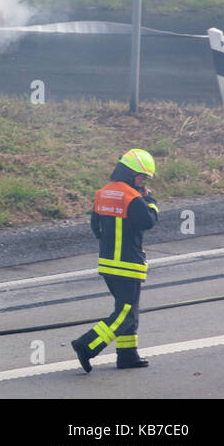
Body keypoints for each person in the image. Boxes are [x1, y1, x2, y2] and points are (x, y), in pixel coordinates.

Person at [71, 149, 160, 372]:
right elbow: (148, 221)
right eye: (142, 177)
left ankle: (127, 355)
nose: (143, 181)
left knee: (126, 310)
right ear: (130, 174)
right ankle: (86, 345)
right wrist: (150, 199)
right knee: (126, 316)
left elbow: (96, 228)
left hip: (109, 264)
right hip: (128, 265)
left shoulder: (103, 193)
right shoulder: (133, 197)